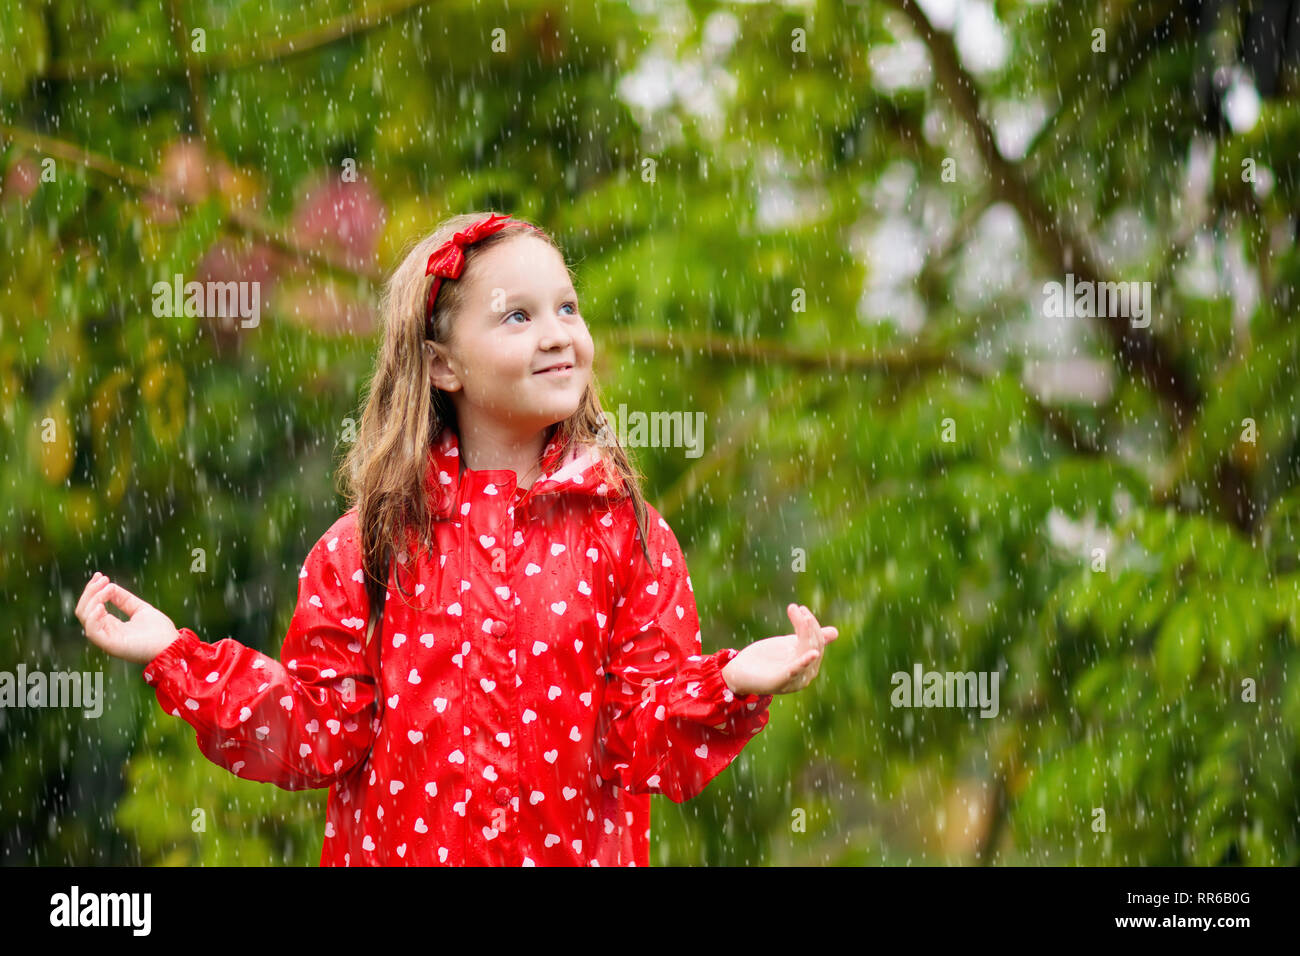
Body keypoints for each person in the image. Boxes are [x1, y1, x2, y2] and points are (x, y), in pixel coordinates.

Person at [75, 211, 840, 866]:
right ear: (443, 365)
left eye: (568, 309)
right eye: (518, 316)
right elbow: (314, 735)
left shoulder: (628, 535)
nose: (557, 335)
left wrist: (733, 680)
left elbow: (641, 740)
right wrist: (179, 658)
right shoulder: (369, 547)